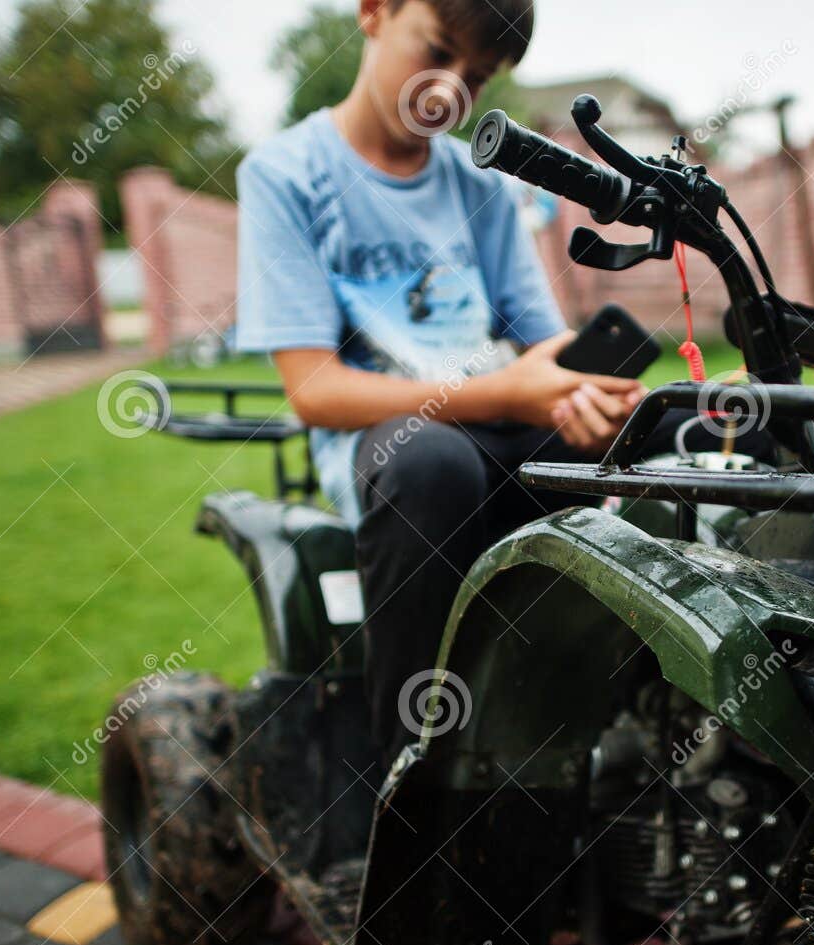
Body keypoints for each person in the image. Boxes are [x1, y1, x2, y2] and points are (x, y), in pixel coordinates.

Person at [236, 0, 646, 767]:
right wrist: (508, 392)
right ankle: (413, 779)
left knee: (580, 450)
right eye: (437, 51)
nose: (450, 91)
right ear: (374, 12)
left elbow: (543, 339)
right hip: (390, 444)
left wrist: (596, 387)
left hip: (498, 419)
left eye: (479, 76)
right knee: (434, 464)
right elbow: (315, 390)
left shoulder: (479, 183)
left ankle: (560, 756)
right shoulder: (285, 175)